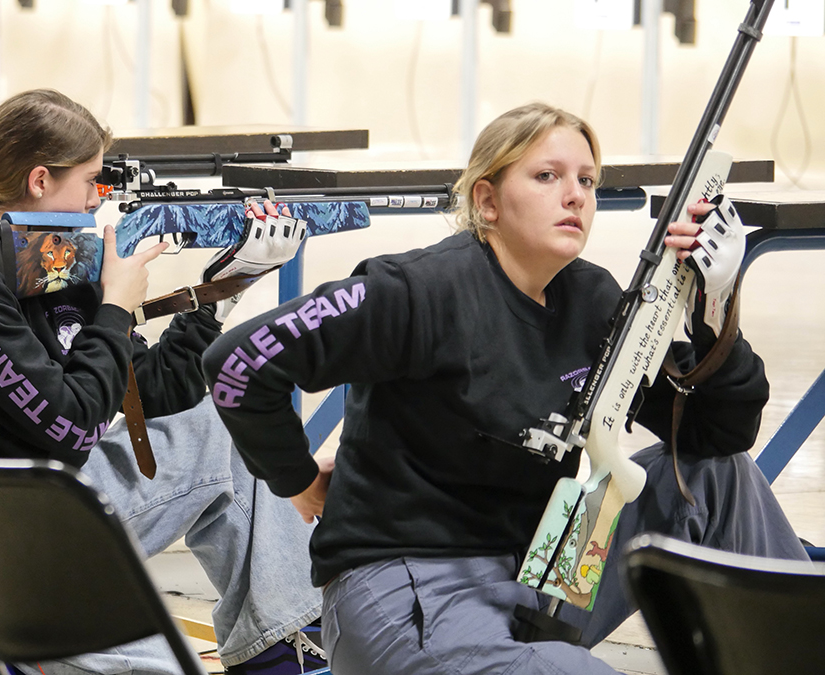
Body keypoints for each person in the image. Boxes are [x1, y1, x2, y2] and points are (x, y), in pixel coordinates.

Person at [201, 102, 811, 675]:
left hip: (545, 566)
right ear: (487, 201)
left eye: (588, 181)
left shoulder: (593, 300)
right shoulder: (417, 292)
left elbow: (717, 434)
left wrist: (713, 315)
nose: (575, 195)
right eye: (547, 175)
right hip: (409, 589)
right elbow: (238, 364)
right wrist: (300, 483)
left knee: (716, 476)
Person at [0, 88, 324, 675]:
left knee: (220, 424)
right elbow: (71, 426)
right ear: (40, 180)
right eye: (93, 182)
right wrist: (116, 307)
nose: (101, 199)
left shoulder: (48, 264)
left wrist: (219, 293)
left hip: (42, 500)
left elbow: (154, 392)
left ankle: (283, 647)